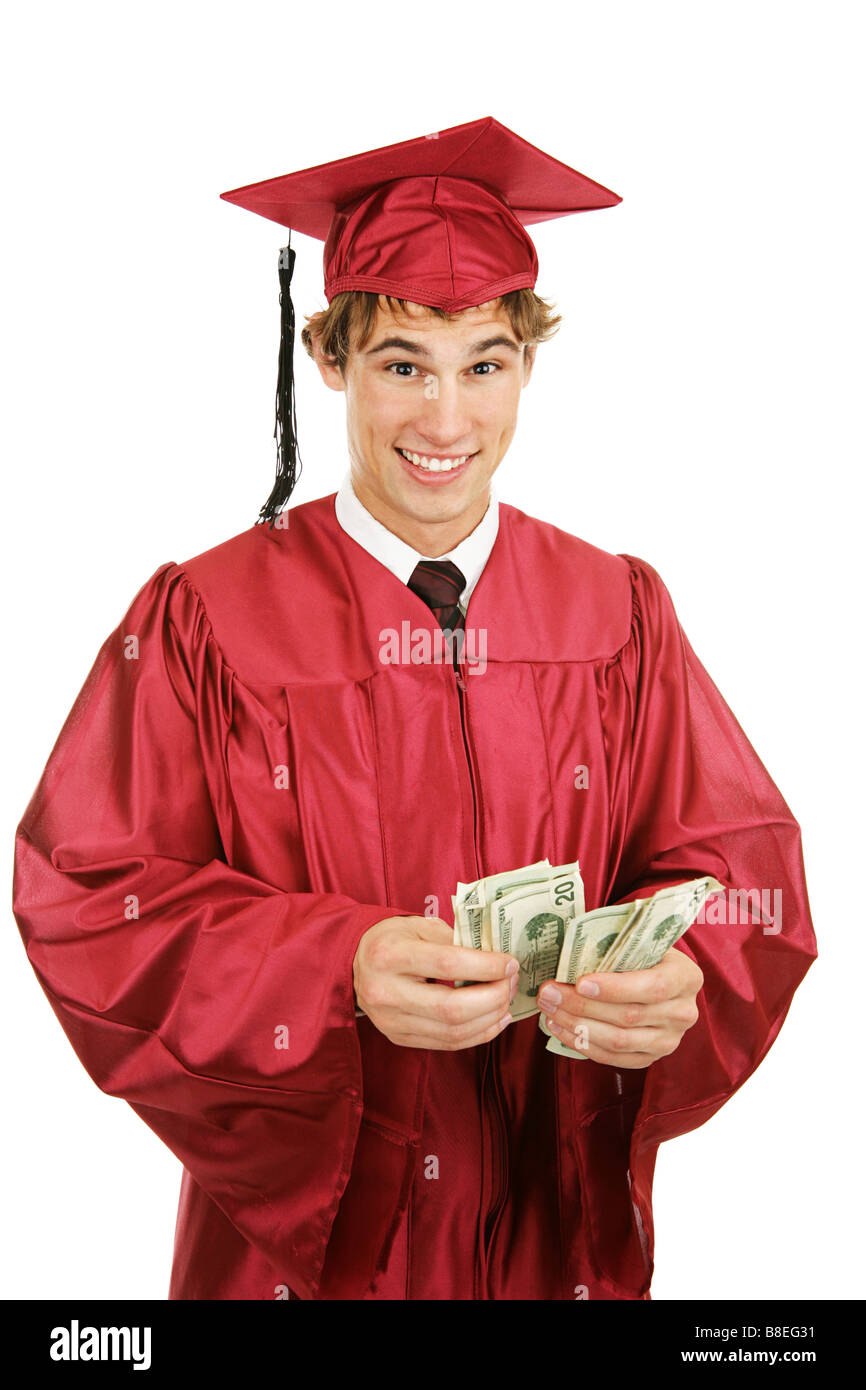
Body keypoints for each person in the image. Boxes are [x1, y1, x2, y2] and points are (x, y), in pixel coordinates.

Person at [12, 117, 817, 1301]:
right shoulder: (206, 619)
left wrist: (680, 980)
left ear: (527, 365)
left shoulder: (615, 610)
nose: (445, 423)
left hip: (547, 1234)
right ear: (328, 357)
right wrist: (330, 967)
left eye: (483, 364)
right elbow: (87, 896)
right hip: (314, 1265)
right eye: (402, 365)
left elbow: (739, 873)